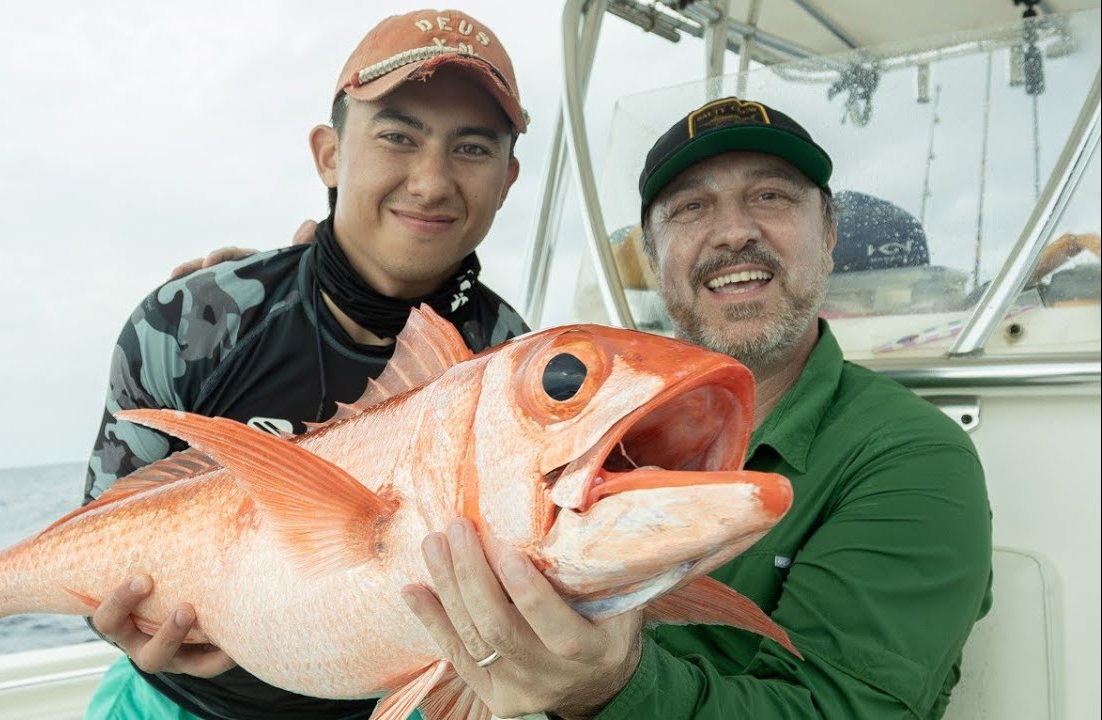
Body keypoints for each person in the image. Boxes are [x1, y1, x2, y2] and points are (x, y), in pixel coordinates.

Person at [402, 97, 994, 719]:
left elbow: (844, 710)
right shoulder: (584, 436)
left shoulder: (913, 456)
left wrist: (611, 689)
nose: (735, 231)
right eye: (691, 207)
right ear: (654, 258)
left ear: (828, 234)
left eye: (772, 196)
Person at [80, 9, 529, 720]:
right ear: (328, 153)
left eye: (471, 149)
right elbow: (98, 534)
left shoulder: (514, 369)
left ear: (508, 178)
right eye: (397, 136)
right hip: (171, 705)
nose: (432, 181)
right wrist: (123, 622)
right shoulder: (189, 321)